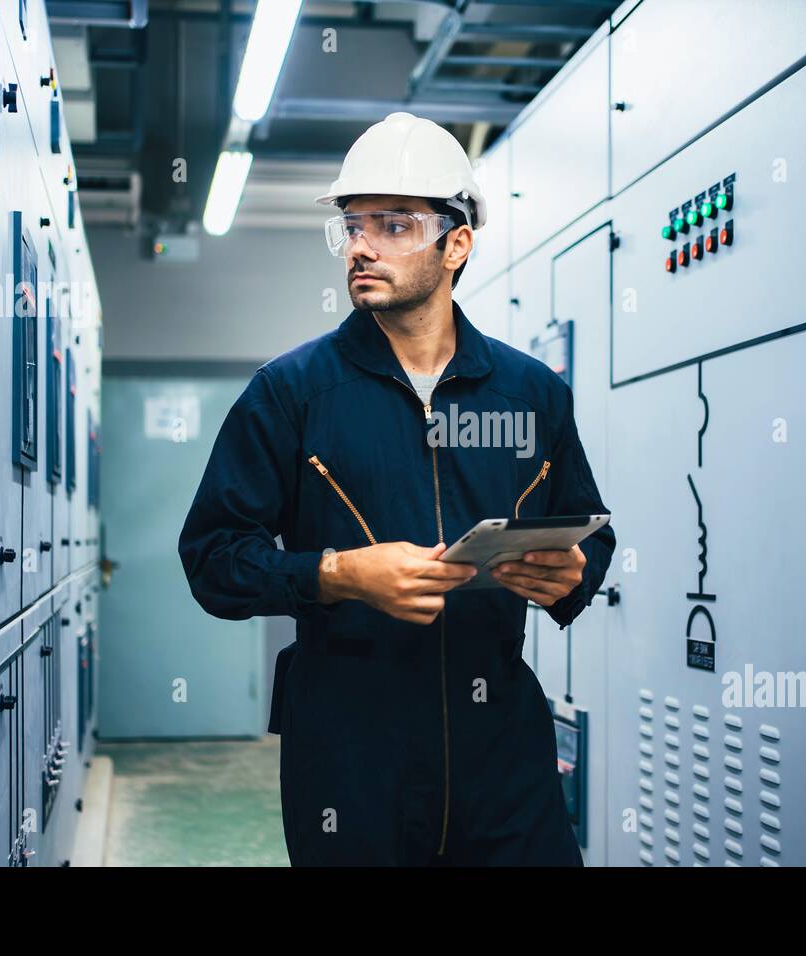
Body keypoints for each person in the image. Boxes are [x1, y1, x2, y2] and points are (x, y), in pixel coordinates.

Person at [178, 111, 615, 866]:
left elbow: (591, 535)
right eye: (351, 225)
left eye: (393, 225)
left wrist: (572, 575)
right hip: (350, 761)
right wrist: (335, 574)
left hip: (500, 755)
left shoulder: (531, 391)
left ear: (457, 244)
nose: (360, 246)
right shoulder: (292, 393)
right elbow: (213, 559)